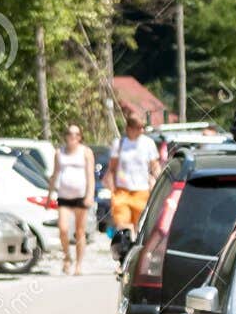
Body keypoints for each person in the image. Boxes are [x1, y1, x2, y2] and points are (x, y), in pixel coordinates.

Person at [47, 125, 95, 276]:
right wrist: (49, 196)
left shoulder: (86, 152)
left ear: (80, 136)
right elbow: (54, 174)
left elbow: (90, 175)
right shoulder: (59, 152)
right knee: (63, 229)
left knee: (80, 231)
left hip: (80, 196)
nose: (72, 136)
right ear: (65, 136)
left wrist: (90, 195)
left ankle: (79, 265)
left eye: (76, 134)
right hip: (64, 196)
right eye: (69, 133)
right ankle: (67, 256)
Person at [105, 115, 161, 236]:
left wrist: (158, 181)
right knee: (122, 224)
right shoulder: (119, 144)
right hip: (122, 191)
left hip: (141, 191)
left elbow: (155, 166)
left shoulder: (148, 143)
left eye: (142, 127)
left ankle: (135, 250)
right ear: (129, 128)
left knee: (140, 227)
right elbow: (112, 168)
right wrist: (111, 188)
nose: (142, 130)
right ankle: (126, 248)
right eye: (138, 127)